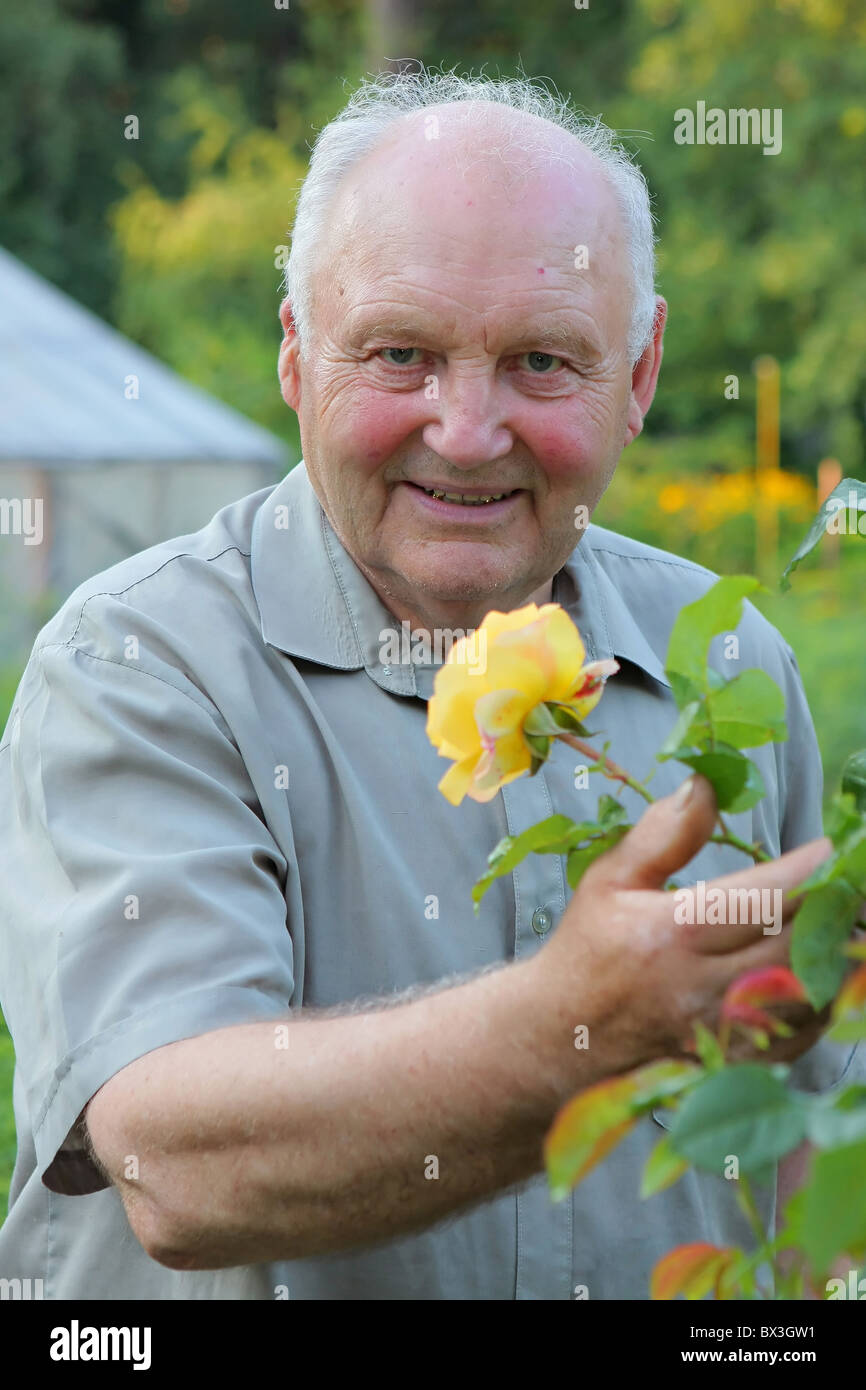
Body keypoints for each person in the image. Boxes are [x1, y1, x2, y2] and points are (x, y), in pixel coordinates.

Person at [0, 68, 860, 1300]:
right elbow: (178, 1165)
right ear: (297, 355)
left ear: (642, 371)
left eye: (541, 362)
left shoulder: (723, 660)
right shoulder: (140, 664)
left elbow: (800, 1159)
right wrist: (584, 1023)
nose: (465, 430)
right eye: (399, 353)